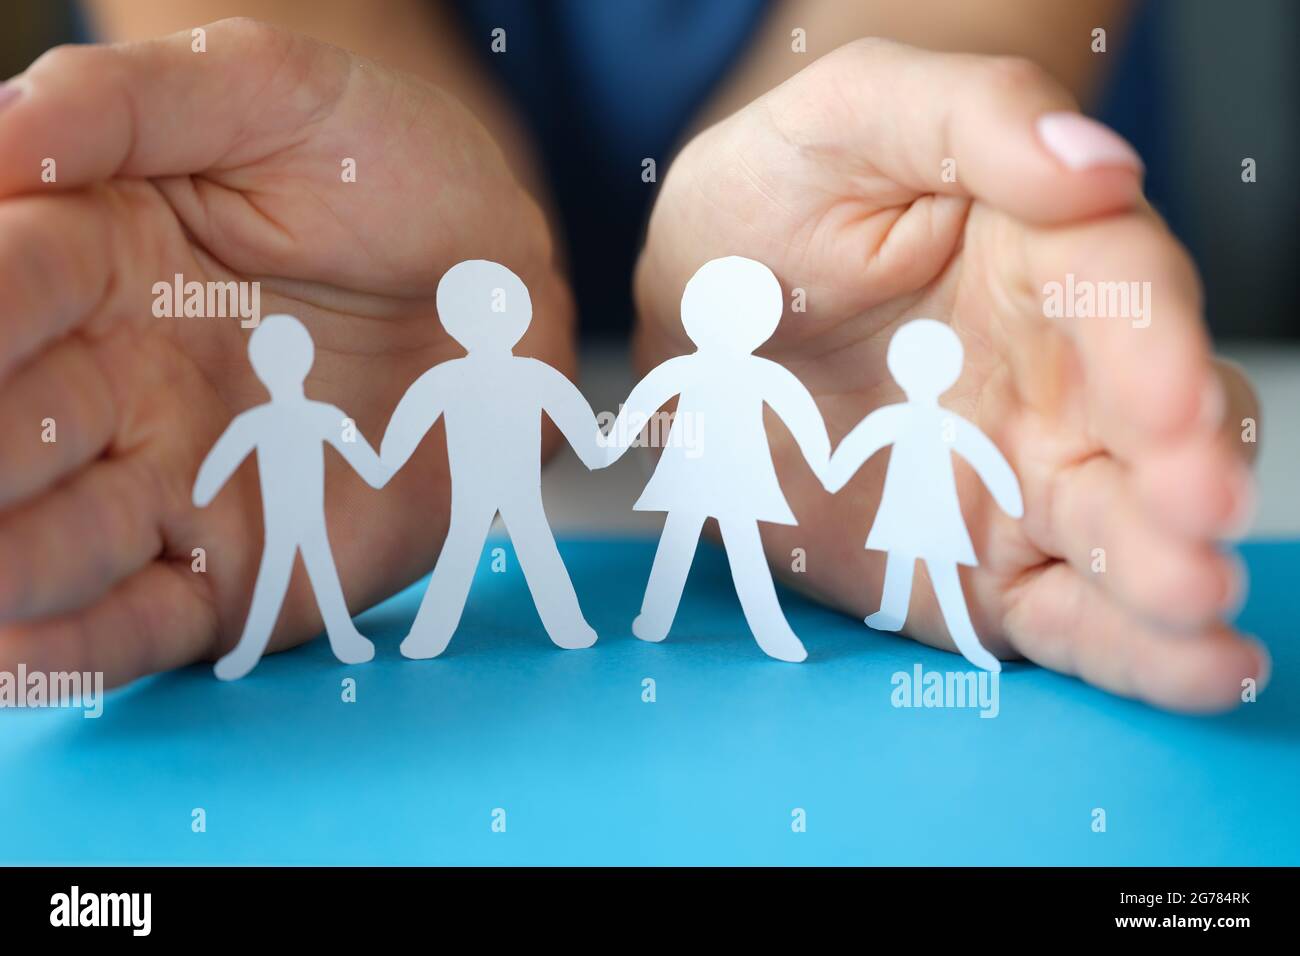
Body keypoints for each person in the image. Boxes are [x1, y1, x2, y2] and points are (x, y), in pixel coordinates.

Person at [0, 5, 1264, 712]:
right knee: (502, 574)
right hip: (431, 360)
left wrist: (632, 430)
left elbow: (829, 427)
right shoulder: (383, 369)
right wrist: (597, 428)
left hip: (947, 282)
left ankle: (702, 600)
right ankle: (652, 602)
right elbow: (370, 431)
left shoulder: (845, 361)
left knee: (681, 578)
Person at [605, 256, 829, 662]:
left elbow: (799, 412)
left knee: (729, 547)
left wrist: (607, 447)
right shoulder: (703, 369)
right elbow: (641, 405)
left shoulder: (748, 372)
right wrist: (609, 446)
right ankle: (663, 621)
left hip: (725, 477)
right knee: (699, 545)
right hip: (701, 475)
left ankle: (764, 632)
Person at [380, 260, 606, 658]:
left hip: (498, 488)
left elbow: (403, 432)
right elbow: (590, 442)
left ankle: (430, 638)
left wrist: (379, 465)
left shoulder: (453, 377)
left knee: (474, 547)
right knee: (520, 546)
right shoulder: (525, 375)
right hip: (491, 488)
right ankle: (566, 629)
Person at [192, 314, 391, 680]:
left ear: (260, 369)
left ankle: (331, 641)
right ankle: (261, 650)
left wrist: (203, 492)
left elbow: (216, 467)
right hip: (289, 521)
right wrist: (388, 463)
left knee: (296, 574)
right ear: (307, 361)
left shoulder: (271, 420)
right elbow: (372, 467)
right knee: (303, 573)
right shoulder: (320, 416)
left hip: (302, 520)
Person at [824, 319, 1024, 673]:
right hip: (903, 506)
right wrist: (834, 473)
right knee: (900, 555)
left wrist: (1009, 495)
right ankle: (892, 612)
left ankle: (967, 640)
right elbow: (862, 441)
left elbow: (981, 453)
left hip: (934, 511)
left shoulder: (940, 423)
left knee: (941, 568)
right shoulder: (902, 418)